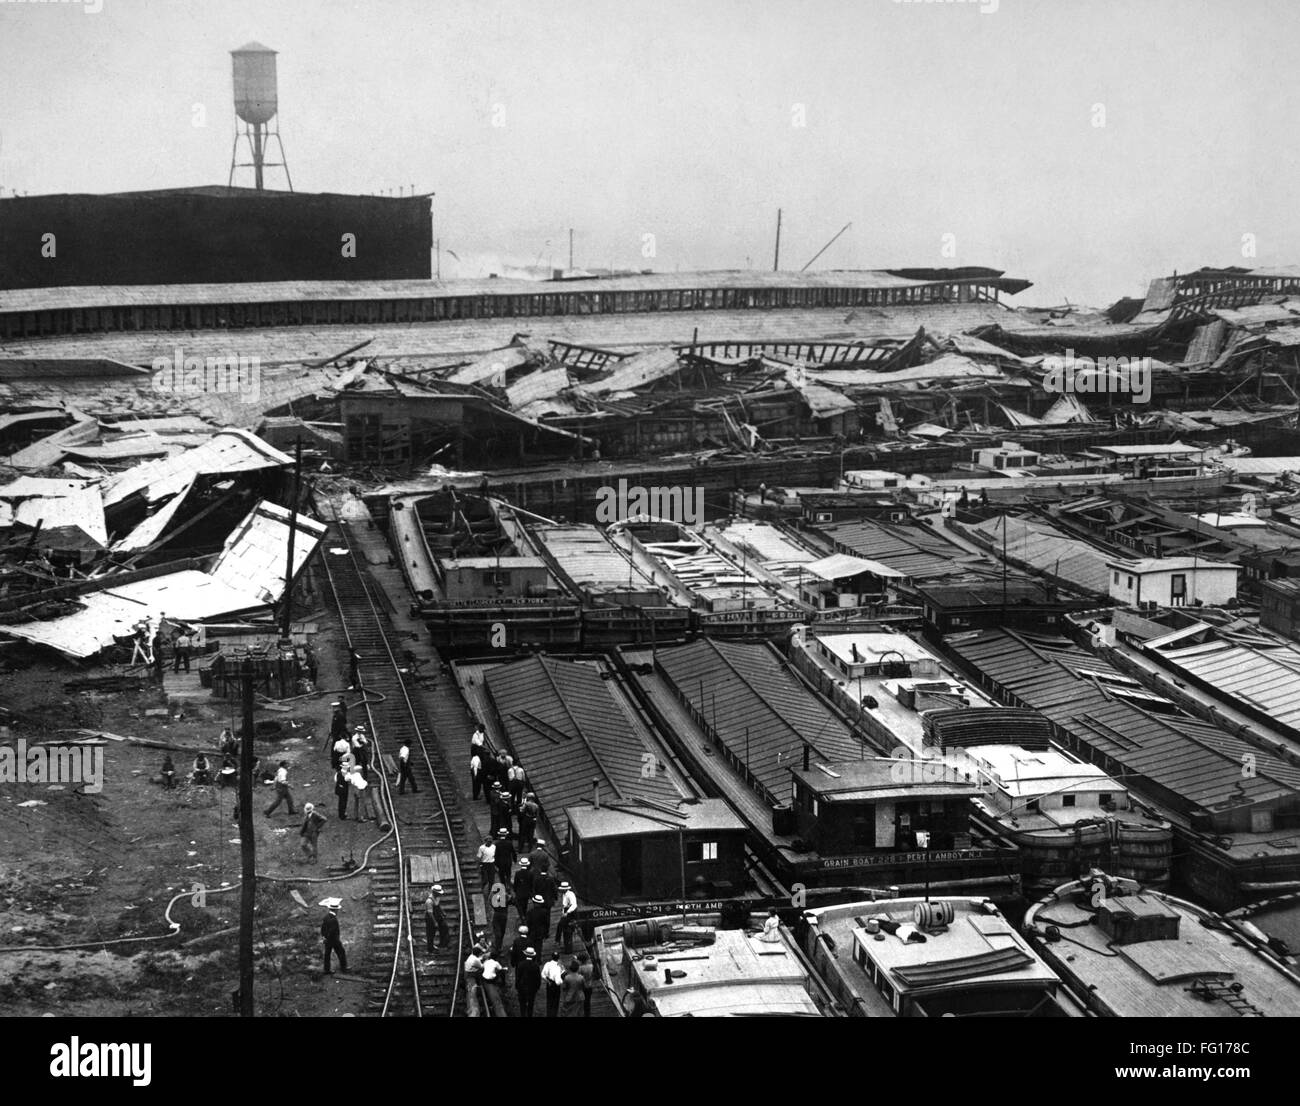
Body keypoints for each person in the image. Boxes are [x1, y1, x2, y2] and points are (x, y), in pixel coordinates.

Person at [321, 904, 347, 974]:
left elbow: (323, 928)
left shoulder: (326, 917)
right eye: (337, 910)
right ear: (336, 910)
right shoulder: (334, 919)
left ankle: (326, 970)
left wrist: (324, 937)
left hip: (327, 940)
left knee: (327, 954)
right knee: (341, 952)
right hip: (334, 940)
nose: (338, 911)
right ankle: (344, 968)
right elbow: (332, 931)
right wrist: (334, 939)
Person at [515, 947, 541, 1018]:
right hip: (532, 988)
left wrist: (517, 986)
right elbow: (538, 978)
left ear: (526, 955)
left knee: (522, 1004)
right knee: (531, 1004)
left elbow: (518, 977)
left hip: (522, 987)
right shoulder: (536, 965)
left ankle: (523, 1015)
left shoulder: (521, 964)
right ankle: (530, 1015)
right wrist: (537, 987)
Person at [480, 950, 507, 1017]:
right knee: (501, 971)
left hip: (484, 978)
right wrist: (504, 969)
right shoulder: (496, 963)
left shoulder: (486, 961)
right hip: (491, 980)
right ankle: (503, 983)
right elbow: (500, 969)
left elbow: (482, 967)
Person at [425, 884, 449, 953]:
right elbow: (430, 913)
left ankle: (442, 944)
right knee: (431, 933)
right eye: (438, 893)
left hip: (437, 916)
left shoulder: (437, 897)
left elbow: (438, 906)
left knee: (444, 928)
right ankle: (430, 948)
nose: (440, 894)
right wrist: (435, 922)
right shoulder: (429, 901)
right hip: (430, 918)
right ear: (434, 892)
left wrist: (442, 912)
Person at [556, 881, 578, 955]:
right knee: (564, 928)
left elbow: (574, 905)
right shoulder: (564, 894)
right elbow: (564, 905)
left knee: (560, 925)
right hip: (566, 911)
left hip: (571, 913)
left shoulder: (570, 895)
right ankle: (565, 947)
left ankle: (558, 940)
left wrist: (567, 912)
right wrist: (563, 912)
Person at [541, 950, 564, 1018]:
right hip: (557, 985)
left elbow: (543, 975)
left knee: (549, 1000)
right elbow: (564, 973)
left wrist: (548, 981)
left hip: (550, 983)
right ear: (558, 958)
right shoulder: (560, 965)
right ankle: (554, 1014)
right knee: (556, 1001)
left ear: (552, 957)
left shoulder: (548, 964)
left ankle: (549, 1014)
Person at [463, 945, 485, 1009]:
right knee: (482, 970)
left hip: (467, 972)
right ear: (478, 954)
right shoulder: (476, 960)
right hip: (471, 974)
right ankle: (480, 982)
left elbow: (477, 960)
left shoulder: (471, 956)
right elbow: (482, 966)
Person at [577, 951, 595, 1017]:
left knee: (582, 1002)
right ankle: (588, 1014)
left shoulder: (579, 968)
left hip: (582, 987)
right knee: (588, 1001)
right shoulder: (591, 966)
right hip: (589, 986)